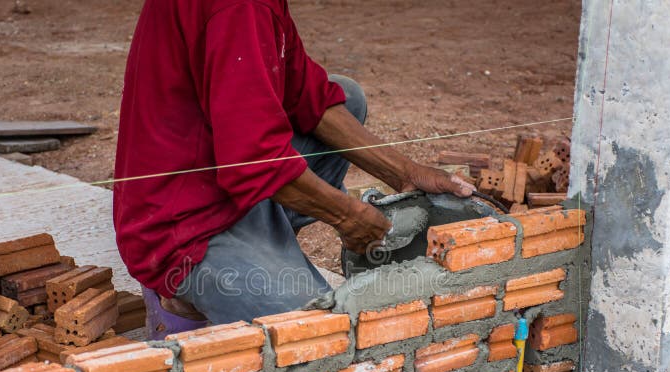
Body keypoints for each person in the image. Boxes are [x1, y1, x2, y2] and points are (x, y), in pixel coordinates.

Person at [114, 0, 475, 329]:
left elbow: (306, 96)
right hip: (180, 226)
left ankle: (263, 247)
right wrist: (350, 217)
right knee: (311, 333)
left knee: (345, 98)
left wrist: (407, 174)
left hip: (222, 176)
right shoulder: (239, 8)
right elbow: (254, 160)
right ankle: (182, 285)